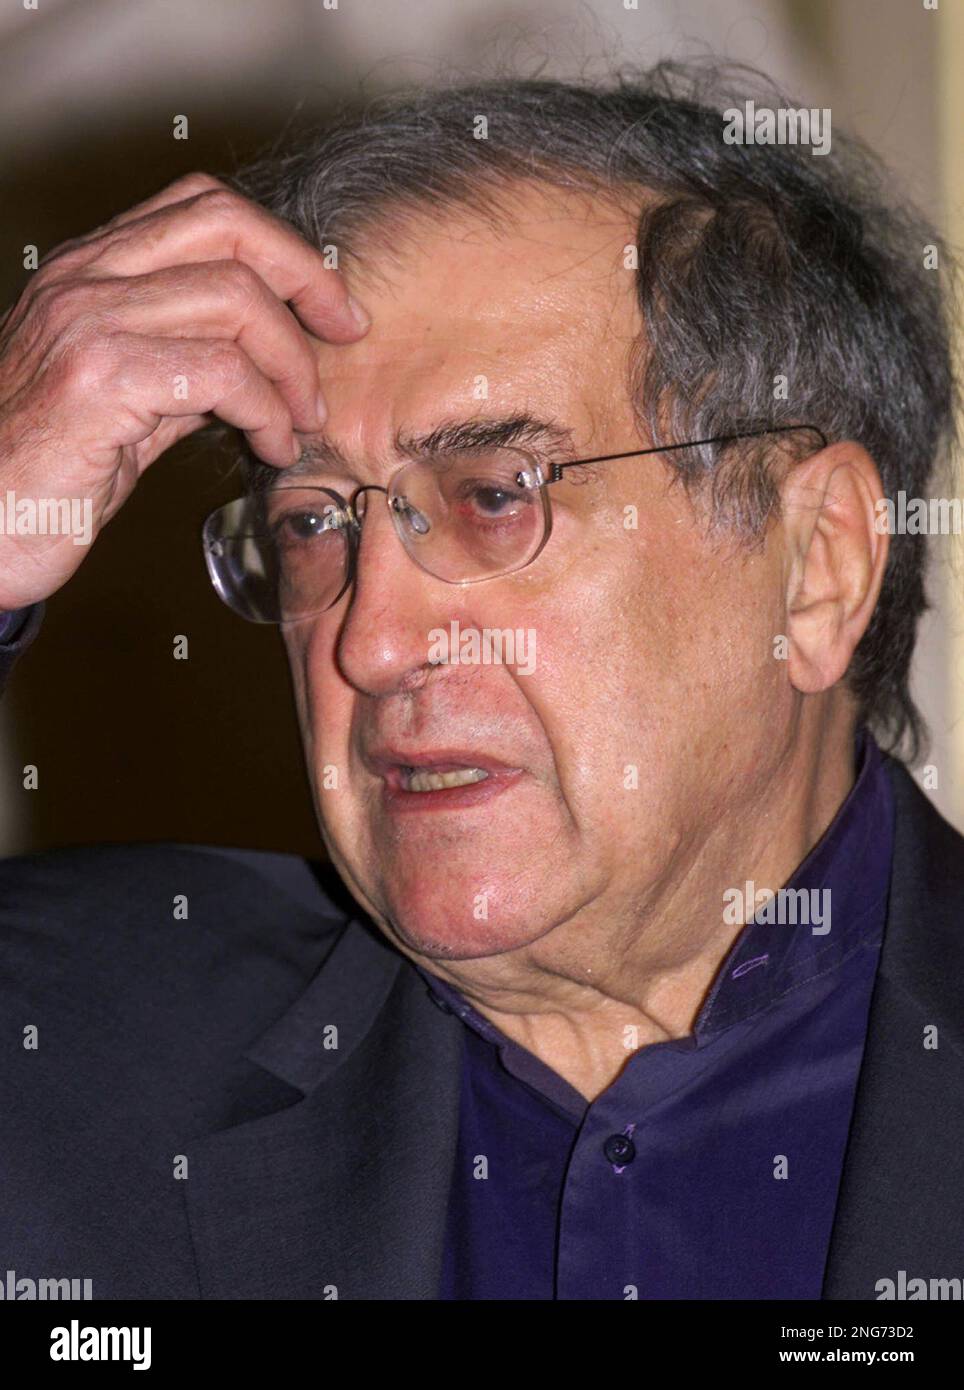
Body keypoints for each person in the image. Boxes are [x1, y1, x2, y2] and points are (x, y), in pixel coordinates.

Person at [0, 61, 961, 1301]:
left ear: (815, 567)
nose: (371, 642)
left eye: (493, 496)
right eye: (309, 525)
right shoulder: (63, 1043)